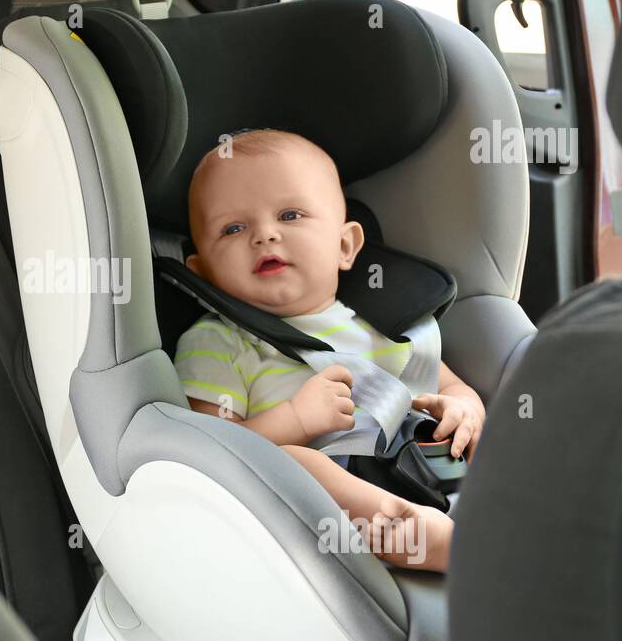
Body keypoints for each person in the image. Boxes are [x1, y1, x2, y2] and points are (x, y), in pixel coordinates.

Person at [173, 129, 486, 571]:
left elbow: (450, 384)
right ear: (202, 272)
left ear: (344, 245)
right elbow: (211, 452)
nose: (264, 235)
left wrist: (464, 409)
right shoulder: (217, 343)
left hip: (416, 471)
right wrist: (297, 420)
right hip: (313, 515)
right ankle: (427, 538)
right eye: (233, 228)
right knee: (293, 462)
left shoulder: (383, 325)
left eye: (290, 214)